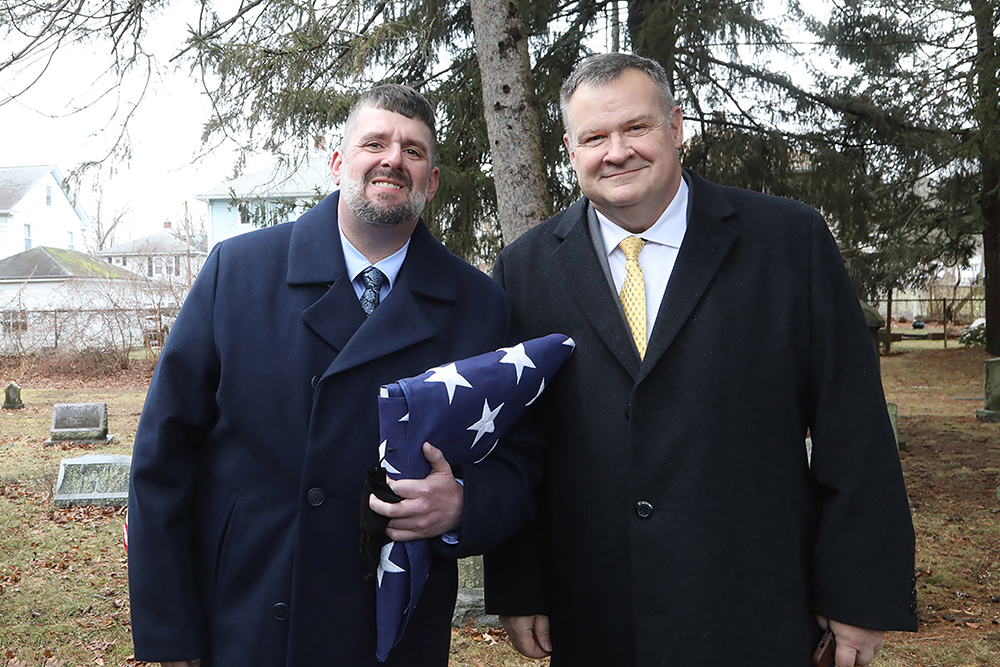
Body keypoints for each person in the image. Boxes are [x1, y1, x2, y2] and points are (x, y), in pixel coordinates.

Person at [484, 53, 917, 667]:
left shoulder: (790, 242)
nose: (617, 152)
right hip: (597, 616)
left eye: (636, 128)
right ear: (569, 149)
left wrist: (860, 592)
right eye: (595, 137)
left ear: (676, 126)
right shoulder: (525, 269)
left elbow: (855, 428)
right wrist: (520, 583)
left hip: (756, 609)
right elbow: (517, 441)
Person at [128, 84, 541, 667]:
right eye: (374, 142)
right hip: (249, 613)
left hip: (392, 627)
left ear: (432, 181)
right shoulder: (238, 273)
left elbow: (521, 461)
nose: (393, 158)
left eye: (414, 150)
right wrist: (168, 631)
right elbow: (162, 459)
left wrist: (463, 505)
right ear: (338, 162)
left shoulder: (479, 304)